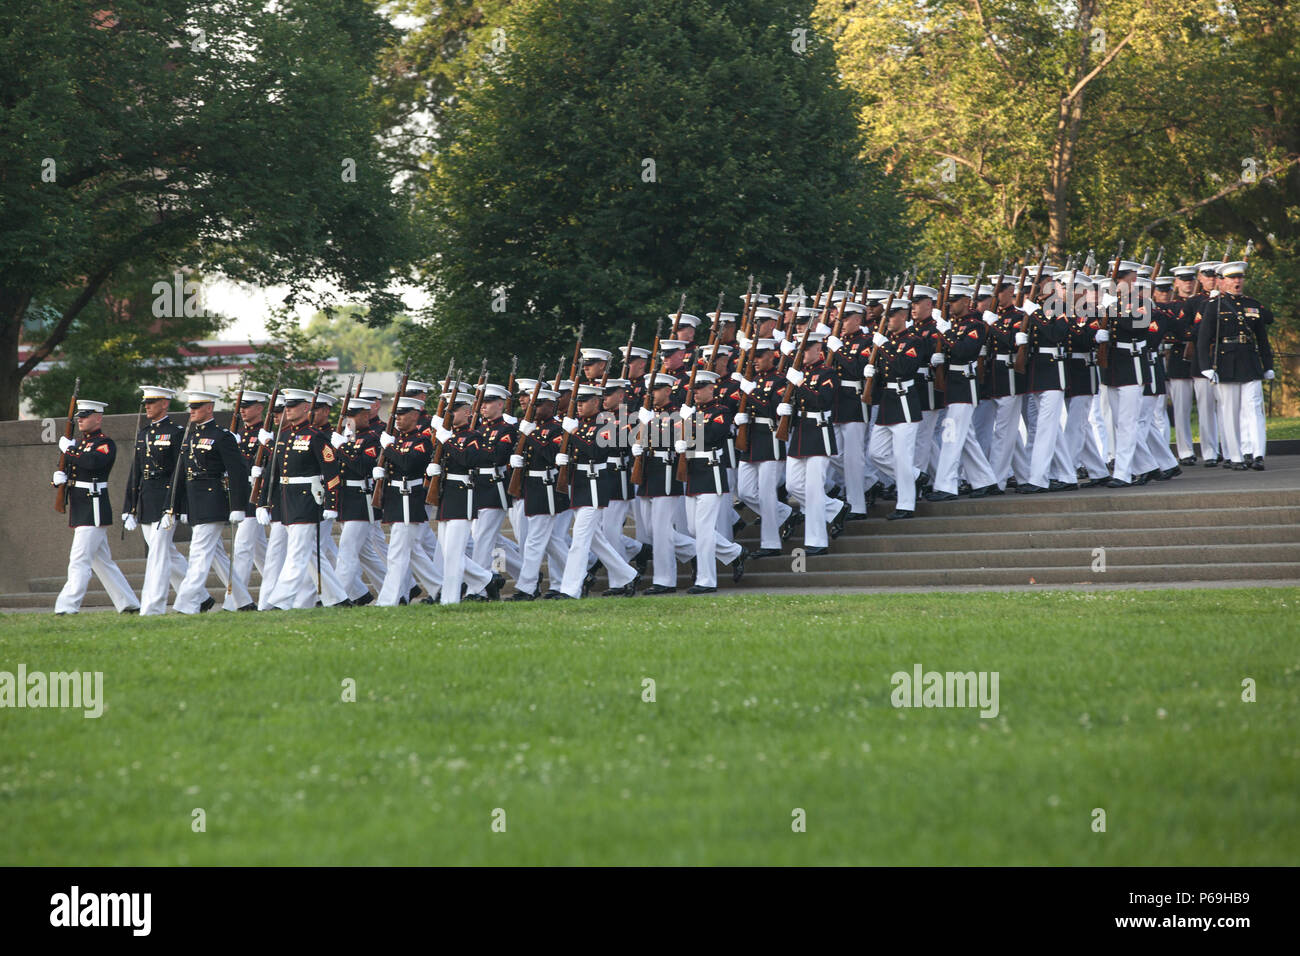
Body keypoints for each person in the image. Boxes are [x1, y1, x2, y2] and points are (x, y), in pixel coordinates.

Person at [257, 388, 349, 610]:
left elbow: (331, 471)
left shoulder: (317, 437)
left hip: (308, 500)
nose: (287, 410)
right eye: (286, 406)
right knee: (311, 555)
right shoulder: (284, 436)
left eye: (292, 406)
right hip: (287, 500)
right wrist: (262, 502)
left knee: (297, 553)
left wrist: (331, 503)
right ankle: (338, 599)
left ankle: (280, 600)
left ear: (306, 407)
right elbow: (272, 473)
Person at [53, 400, 142, 615]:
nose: (80, 419)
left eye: (85, 415)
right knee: (101, 561)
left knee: (79, 558)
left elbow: (92, 462)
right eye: (79, 416)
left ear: (98, 418)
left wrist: (70, 450)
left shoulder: (105, 443)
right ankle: (129, 603)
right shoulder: (81, 444)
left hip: (93, 507)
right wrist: (58, 479)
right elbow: (74, 467)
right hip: (80, 506)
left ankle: (67, 606)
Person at [552, 384, 640, 598]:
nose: (579, 406)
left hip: (595, 484)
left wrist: (572, 433)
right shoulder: (580, 424)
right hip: (579, 484)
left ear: (596, 401)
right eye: (578, 402)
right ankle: (628, 574)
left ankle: (570, 589)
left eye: (584, 401)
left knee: (580, 540)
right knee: (595, 540)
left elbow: (595, 450)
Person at [170, 390, 253, 613]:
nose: (192, 411)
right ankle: (243, 601)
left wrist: (237, 506)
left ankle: (187, 604)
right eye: (191, 408)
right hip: (196, 504)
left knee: (198, 554)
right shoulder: (191, 436)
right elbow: (184, 475)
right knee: (216, 556)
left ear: (209, 408)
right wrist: (181, 507)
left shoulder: (222, 436)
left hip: (213, 501)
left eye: (197, 407)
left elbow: (237, 473)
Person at [1196, 260, 1275, 470]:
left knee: (1254, 409)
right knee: (1229, 412)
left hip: (1250, 361)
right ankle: (1236, 456)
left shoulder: (1252, 304)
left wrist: (1268, 365)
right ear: (1222, 282)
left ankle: (1258, 454)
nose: (1237, 281)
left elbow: (1262, 339)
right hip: (1225, 362)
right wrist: (1206, 366)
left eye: (1239, 277)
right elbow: (1203, 340)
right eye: (1232, 278)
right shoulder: (1214, 306)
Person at [122, 385, 189, 614]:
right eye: (146, 403)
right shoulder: (144, 433)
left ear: (165, 404)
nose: (147, 406)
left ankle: (153, 606)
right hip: (147, 499)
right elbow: (136, 472)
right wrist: (129, 507)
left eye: (152, 402)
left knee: (158, 554)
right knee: (165, 551)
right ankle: (197, 595)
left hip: (165, 499)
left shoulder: (176, 432)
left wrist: (173, 506)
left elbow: (179, 473)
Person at [679, 371, 747, 592]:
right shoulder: (690, 413)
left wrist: (689, 422)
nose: (696, 392)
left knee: (705, 529)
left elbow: (711, 435)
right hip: (692, 473)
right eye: (693, 389)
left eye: (700, 388)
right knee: (693, 528)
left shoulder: (721, 411)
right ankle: (735, 552)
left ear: (712, 388)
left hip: (710, 472)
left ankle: (706, 580)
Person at [781, 332, 847, 551]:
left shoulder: (827, 373)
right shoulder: (799, 374)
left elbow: (821, 401)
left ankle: (817, 541)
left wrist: (799, 383)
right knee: (793, 484)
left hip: (818, 432)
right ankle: (835, 508)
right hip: (800, 432)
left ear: (818, 350)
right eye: (800, 349)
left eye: (806, 349)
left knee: (813, 489)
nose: (802, 353)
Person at [374, 396, 442, 605]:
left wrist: (389, 448)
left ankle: (388, 600)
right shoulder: (398, 440)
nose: (398, 419)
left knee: (397, 553)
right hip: (395, 500)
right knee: (412, 551)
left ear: (414, 416)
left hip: (409, 500)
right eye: (397, 415)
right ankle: (440, 587)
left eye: (402, 415)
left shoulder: (421, 441)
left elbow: (407, 463)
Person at [733, 334, 793, 557]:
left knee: (767, 494)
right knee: (746, 492)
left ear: (772, 356)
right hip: (749, 440)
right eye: (752, 357)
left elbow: (774, 409)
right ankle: (785, 514)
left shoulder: (779, 380)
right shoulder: (751, 379)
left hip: (769, 438)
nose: (755, 361)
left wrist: (751, 393)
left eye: (759, 356)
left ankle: (771, 544)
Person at [867, 299, 925, 519]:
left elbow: (903, 367)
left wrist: (884, 347)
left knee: (902, 457)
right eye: (885, 316)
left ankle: (906, 504)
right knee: (876, 453)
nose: (887, 320)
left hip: (904, 402)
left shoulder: (914, 341)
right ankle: (916, 476)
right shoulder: (888, 341)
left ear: (904, 316)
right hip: (887, 402)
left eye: (891, 315)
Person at [331, 396, 384, 605]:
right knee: (365, 554)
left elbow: (364, 466)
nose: (349, 421)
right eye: (347, 417)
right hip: (346, 499)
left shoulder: (371, 438)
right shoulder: (348, 437)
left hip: (361, 500)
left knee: (347, 549)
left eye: (353, 416)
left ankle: (339, 597)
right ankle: (399, 589)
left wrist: (343, 447)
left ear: (365, 415)